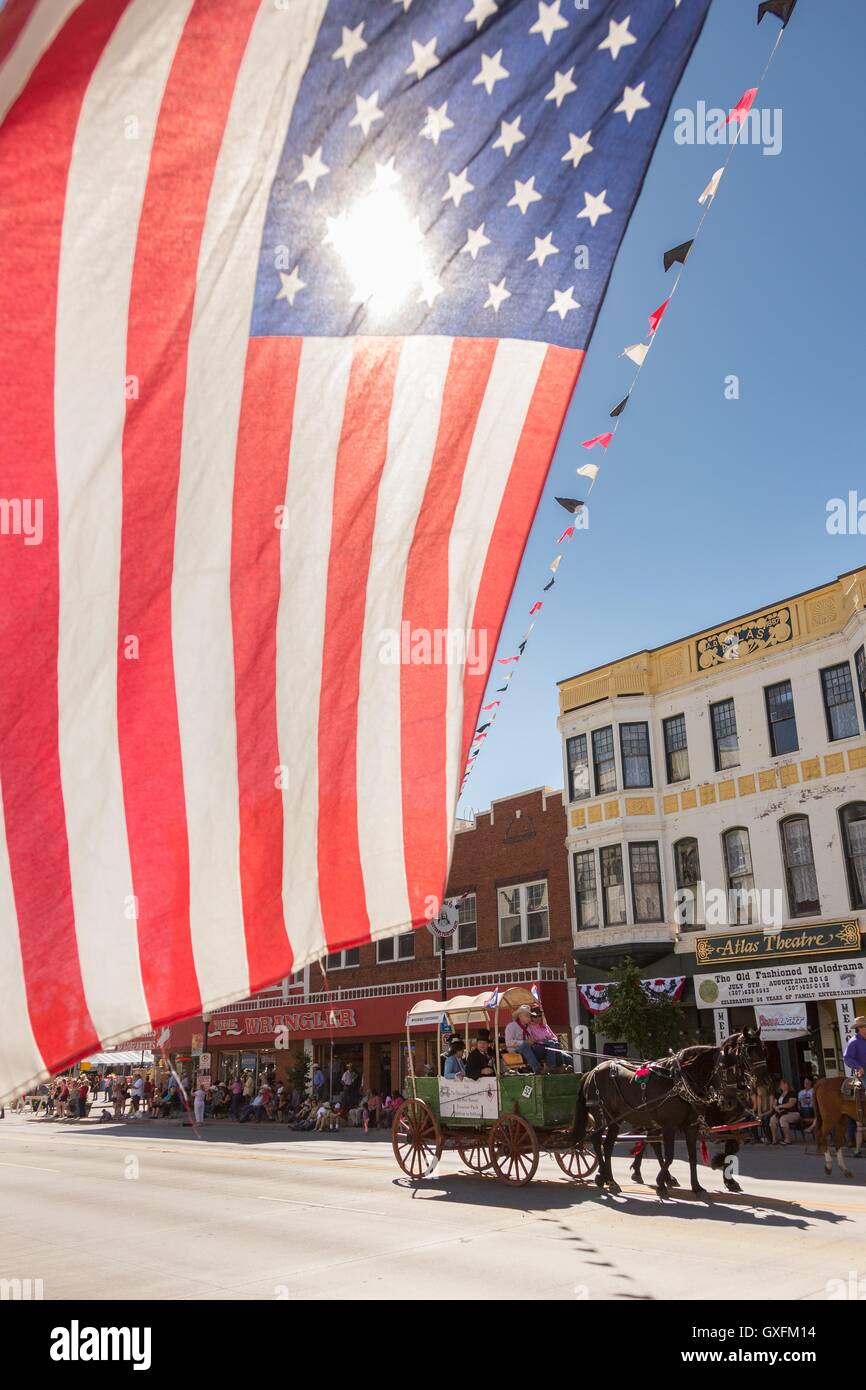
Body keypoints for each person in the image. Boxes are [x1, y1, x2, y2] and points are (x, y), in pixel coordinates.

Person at [505, 1006, 546, 1074]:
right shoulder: (511, 1026)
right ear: (520, 1016)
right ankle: (538, 1070)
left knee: (543, 1048)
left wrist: (532, 1041)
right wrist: (524, 1042)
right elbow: (508, 1043)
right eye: (527, 1015)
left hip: (527, 1050)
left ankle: (551, 1067)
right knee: (525, 1046)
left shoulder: (528, 1028)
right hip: (515, 1052)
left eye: (529, 1015)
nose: (529, 1017)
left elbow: (530, 1041)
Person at [769, 1079, 799, 1144]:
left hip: (792, 1113)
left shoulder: (792, 1093)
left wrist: (780, 1106)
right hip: (780, 1113)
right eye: (781, 1084)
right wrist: (776, 1108)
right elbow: (774, 1104)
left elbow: (791, 1104)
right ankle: (774, 1139)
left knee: (783, 1119)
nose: (782, 1086)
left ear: (787, 1085)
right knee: (772, 1119)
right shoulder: (779, 1094)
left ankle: (787, 1139)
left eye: (784, 1084)